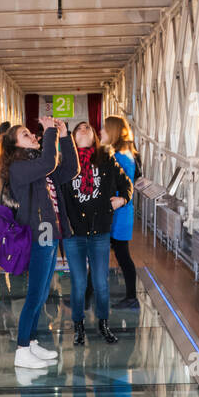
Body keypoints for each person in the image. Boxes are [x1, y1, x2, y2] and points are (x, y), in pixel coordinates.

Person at [0, 118, 79, 370]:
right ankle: (22, 349)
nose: (32, 135)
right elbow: (50, 162)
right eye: (25, 134)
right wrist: (50, 130)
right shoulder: (19, 167)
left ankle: (30, 343)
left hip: (50, 233)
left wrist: (64, 137)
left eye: (32, 133)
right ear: (14, 145)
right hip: (39, 235)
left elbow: (70, 170)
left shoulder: (36, 165)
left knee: (42, 293)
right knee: (34, 295)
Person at [62, 122, 132, 346]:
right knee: (79, 283)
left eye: (88, 128)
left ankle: (103, 323)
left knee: (101, 283)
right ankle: (78, 326)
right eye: (79, 128)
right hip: (74, 233)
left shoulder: (107, 160)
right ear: (73, 137)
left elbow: (127, 183)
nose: (84, 129)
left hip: (100, 231)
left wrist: (123, 199)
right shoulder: (64, 162)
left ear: (94, 137)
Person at [101, 115, 141, 310]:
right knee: (105, 253)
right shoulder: (127, 153)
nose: (101, 132)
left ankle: (132, 297)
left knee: (122, 256)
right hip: (121, 213)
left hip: (118, 213)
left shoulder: (117, 156)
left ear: (112, 131)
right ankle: (88, 295)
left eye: (104, 129)